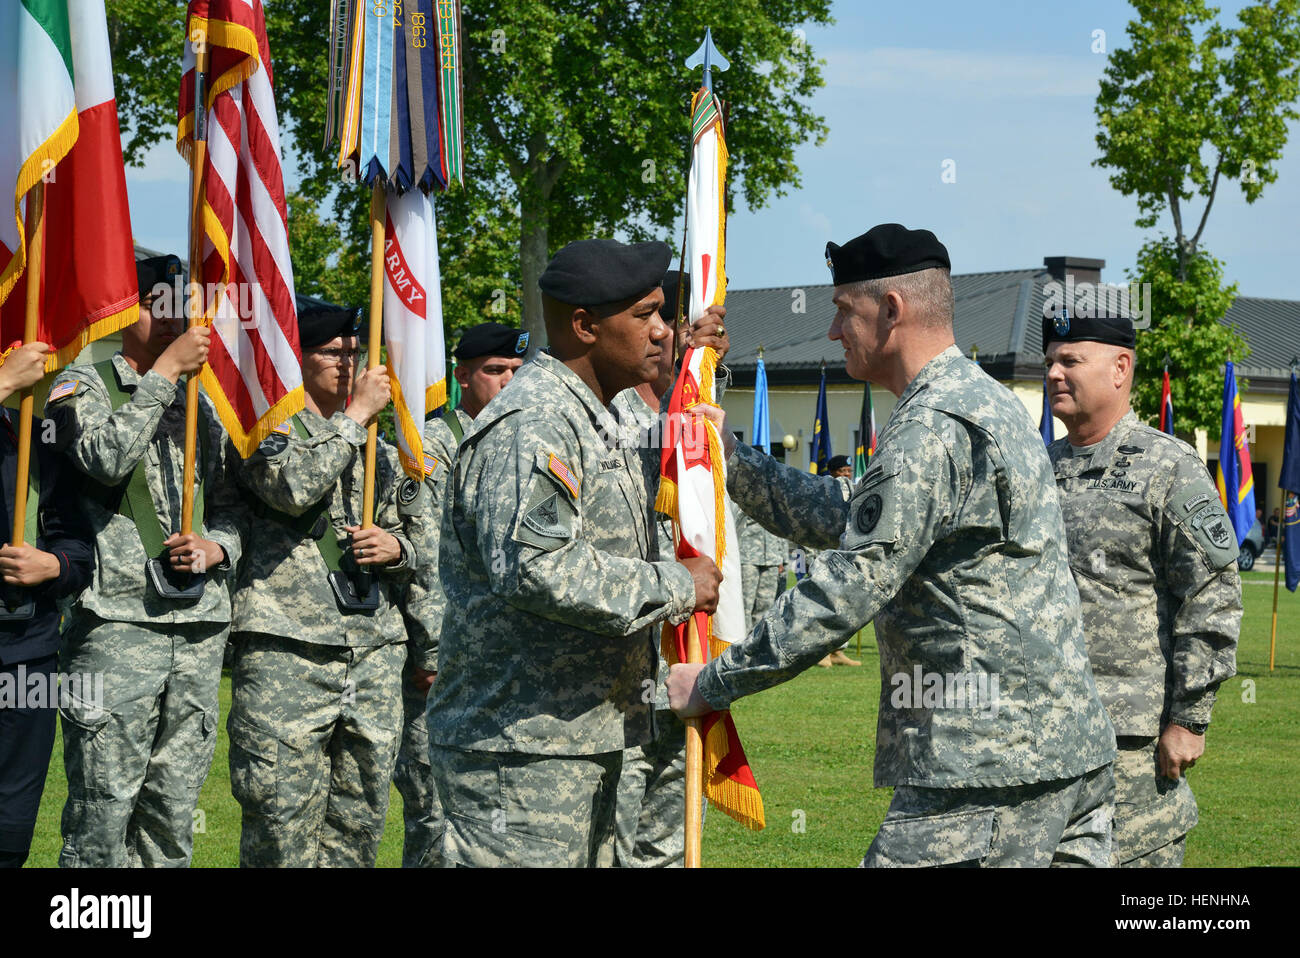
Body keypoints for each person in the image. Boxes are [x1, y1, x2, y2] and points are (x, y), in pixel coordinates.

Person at [669, 223, 1117, 867]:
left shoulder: (930, 427)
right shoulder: (981, 401)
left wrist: (715, 681)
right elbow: (861, 518)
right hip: (1060, 753)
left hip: (986, 768)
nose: (831, 332)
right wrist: (734, 461)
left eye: (842, 312)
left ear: (891, 310)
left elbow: (850, 581)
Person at [426, 239, 722, 867]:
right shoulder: (534, 424)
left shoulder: (597, 418)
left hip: (581, 736)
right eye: (645, 316)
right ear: (586, 327)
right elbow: (537, 570)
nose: (663, 333)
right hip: (520, 748)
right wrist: (673, 585)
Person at [46, 254, 244, 867]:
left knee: (173, 808)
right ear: (123, 311)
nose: (171, 319)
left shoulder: (203, 399)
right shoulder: (82, 383)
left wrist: (219, 546)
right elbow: (105, 459)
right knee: (102, 811)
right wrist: (161, 375)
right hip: (117, 623)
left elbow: (234, 504)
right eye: (156, 307)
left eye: (180, 307)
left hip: (197, 626)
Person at [1044, 310, 1241, 867]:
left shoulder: (1167, 467)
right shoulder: (1037, 468)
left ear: (1120, 368)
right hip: (1043, 737)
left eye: (1071, 361)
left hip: (1131, 745)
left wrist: (1189, 719)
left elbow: (1213, 594)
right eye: (1050, 362)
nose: (1055, 374)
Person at [227, 305, 415, 868]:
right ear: (298, 359)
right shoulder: (268, 426)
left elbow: (422, 535)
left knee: (360, 819)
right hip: (290, 646)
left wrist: (397, 547)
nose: (347, 364)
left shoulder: (381, 440)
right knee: (280, 818)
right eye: (332, 353)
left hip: (374, 647)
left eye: (353, 353)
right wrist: (355, 415)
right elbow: (291, 489)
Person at [395, 321, 526, 868]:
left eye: (519, 372)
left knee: (499, 812)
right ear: (463, 376)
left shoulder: (522, 439)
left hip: (507, 658)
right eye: (496, 371)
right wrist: (430, 652)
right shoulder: (435, 443)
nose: (509, 383)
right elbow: (423, 556)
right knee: (435, 809)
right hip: (445, 658)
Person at [609, 269, 727, 867]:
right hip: (624, 670)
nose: (670, 337)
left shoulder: (703, 412)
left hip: (690, 657)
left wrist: (704, 378)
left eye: (682, 325)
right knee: (611, 838)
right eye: (663, 323)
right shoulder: (613, 413)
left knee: (672, 839)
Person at [0, 342, 93, 868]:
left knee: (12, 819)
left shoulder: (40, 436)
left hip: (27, 649)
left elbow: (75, 535)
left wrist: (53, 565)